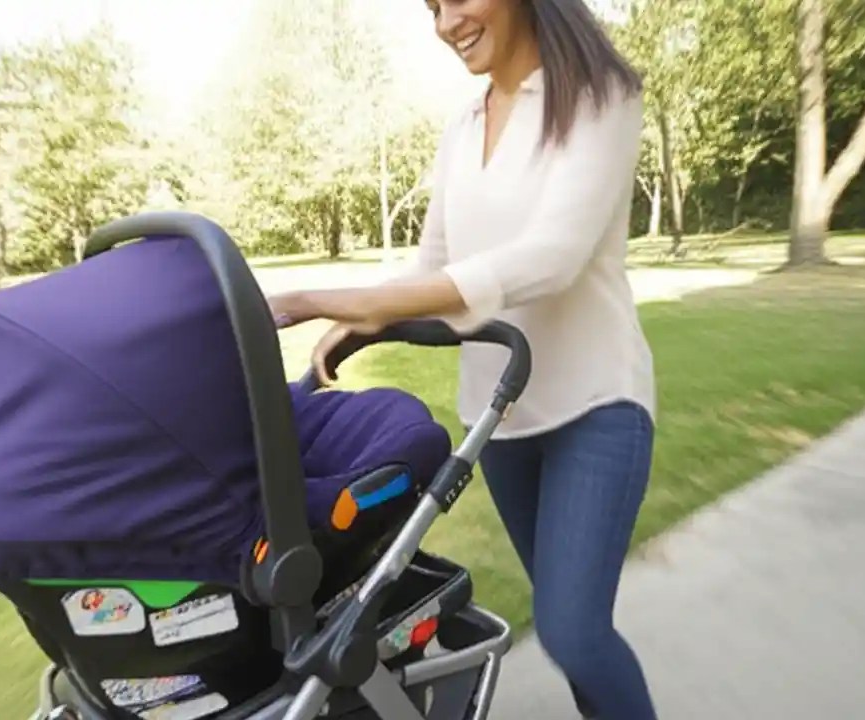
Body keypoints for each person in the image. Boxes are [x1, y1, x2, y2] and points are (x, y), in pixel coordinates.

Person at [269, 0, 655, 717]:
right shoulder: (464, 124)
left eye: (458, 0)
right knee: (572, 630)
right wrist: (365, 324)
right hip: (501, 416)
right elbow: (436, 263)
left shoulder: (602, 96)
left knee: (573, 632)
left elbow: (552, 258)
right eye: (432, 6)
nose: (446, 21)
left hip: (597, 407)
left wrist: (329, 297)